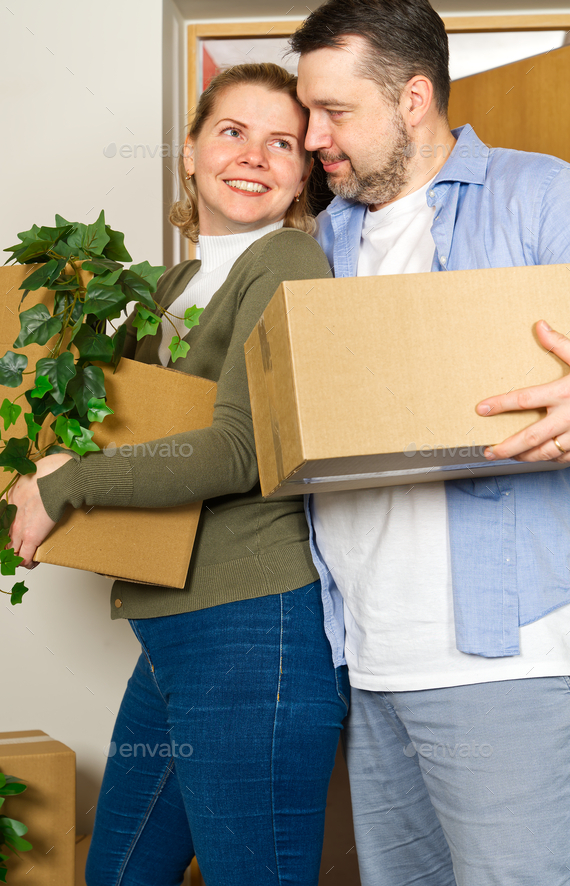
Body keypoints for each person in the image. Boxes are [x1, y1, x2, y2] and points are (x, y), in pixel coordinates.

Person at [8, 63, 349, 886]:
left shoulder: (288, 263)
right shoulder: (168, 287)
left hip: (251, 630)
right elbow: (118, 422)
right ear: (190, 152)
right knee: (119, 875)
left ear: (306, 171)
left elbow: (240, 447)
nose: (255, 156)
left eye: (282, 142)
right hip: (172, 633)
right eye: (232, 132)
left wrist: (64, 483)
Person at [291, 2, 570, 884]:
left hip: (505, 657)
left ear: (414, 96)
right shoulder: (327, 239)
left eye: (334, 112)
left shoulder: (542, 194)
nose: (312, 137)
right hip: (369, 658)